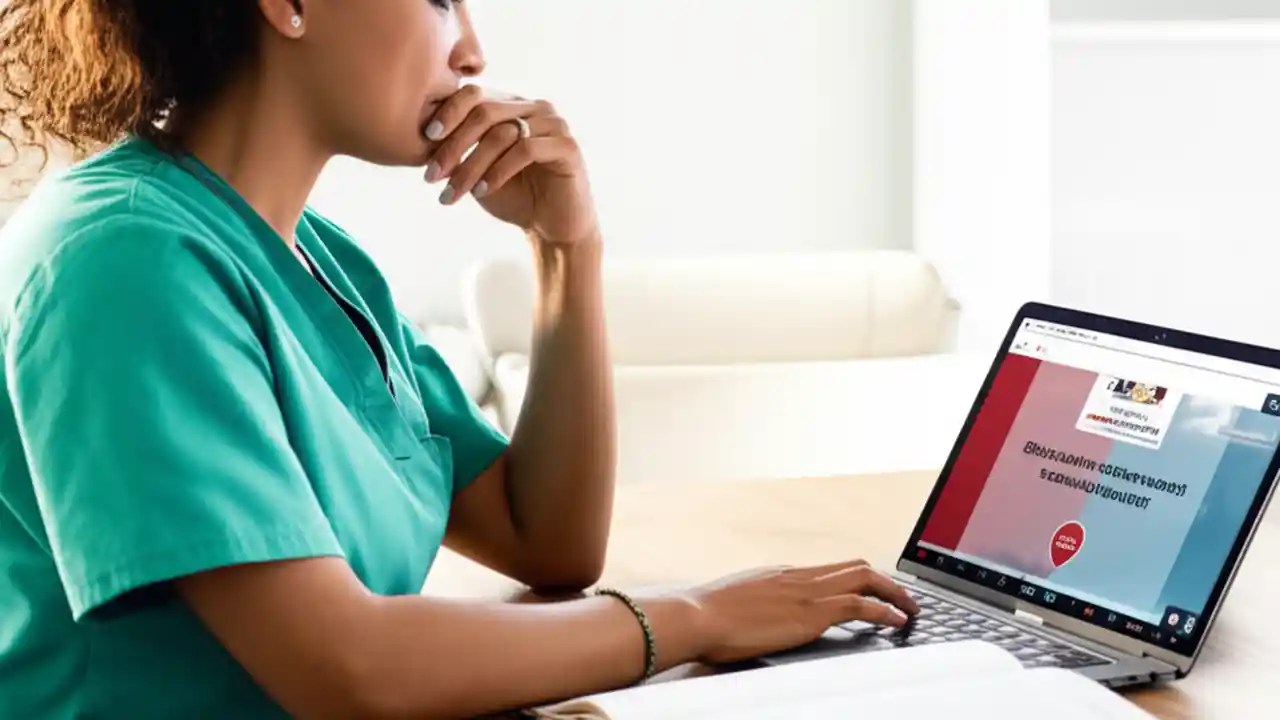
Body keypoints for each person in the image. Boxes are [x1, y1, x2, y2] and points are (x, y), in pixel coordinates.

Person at [0, 1, 919, 717]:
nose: (473, 53)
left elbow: (547, 539)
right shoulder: (122, 261)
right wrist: (696, 618)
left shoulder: (318, 257)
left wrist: (568, 251)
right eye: (441, 1)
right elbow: (346, 670)